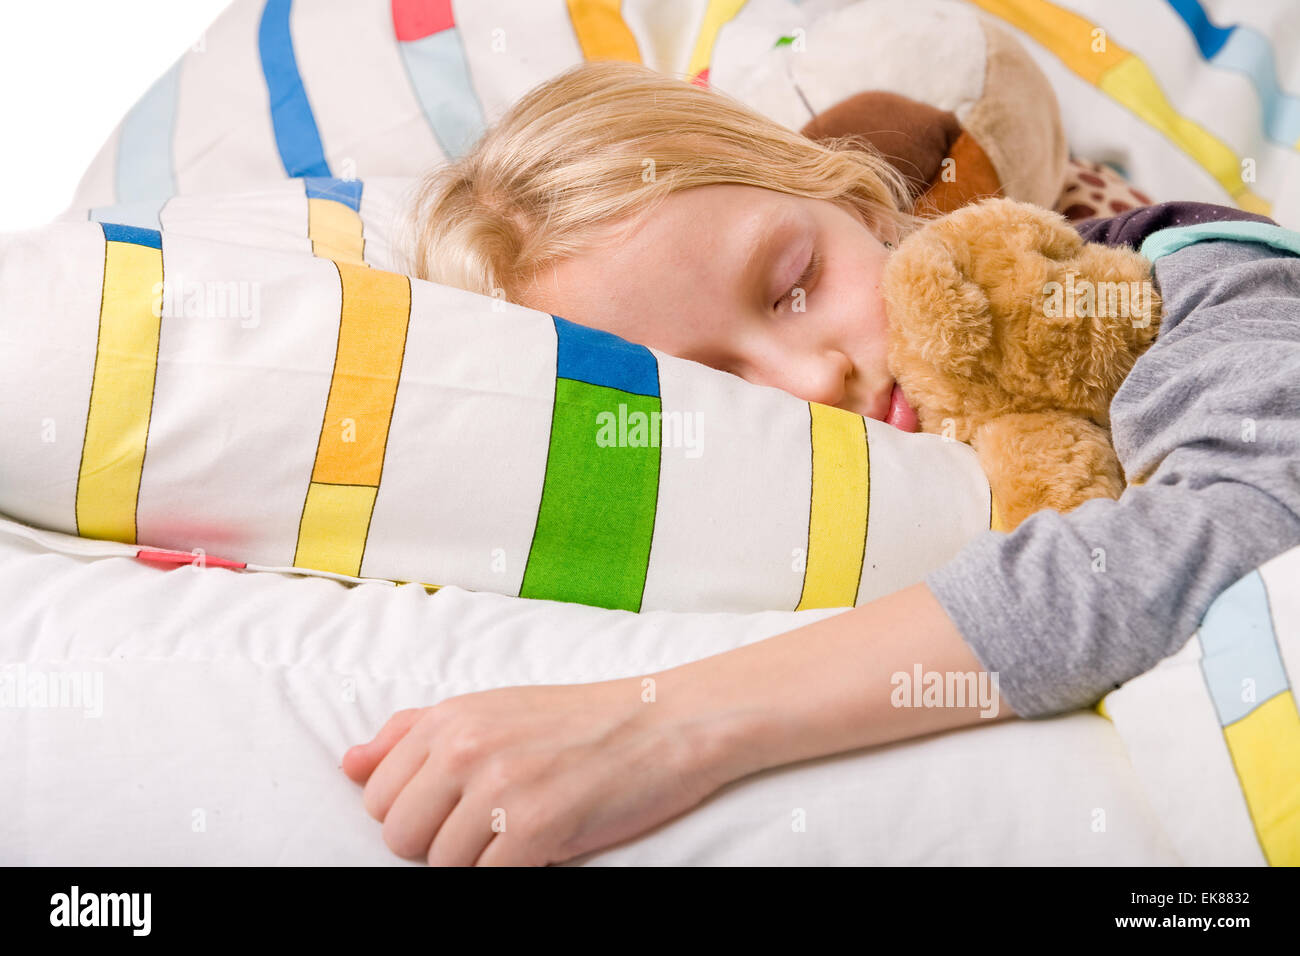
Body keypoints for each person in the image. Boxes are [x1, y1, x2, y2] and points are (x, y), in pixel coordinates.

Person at [341, 61, 1300, 866]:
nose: (810, 380)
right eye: (718, 388)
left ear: (850, 197)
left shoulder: (1173, 281)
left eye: (796, 286)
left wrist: (666, 725)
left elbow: (1248, 511)